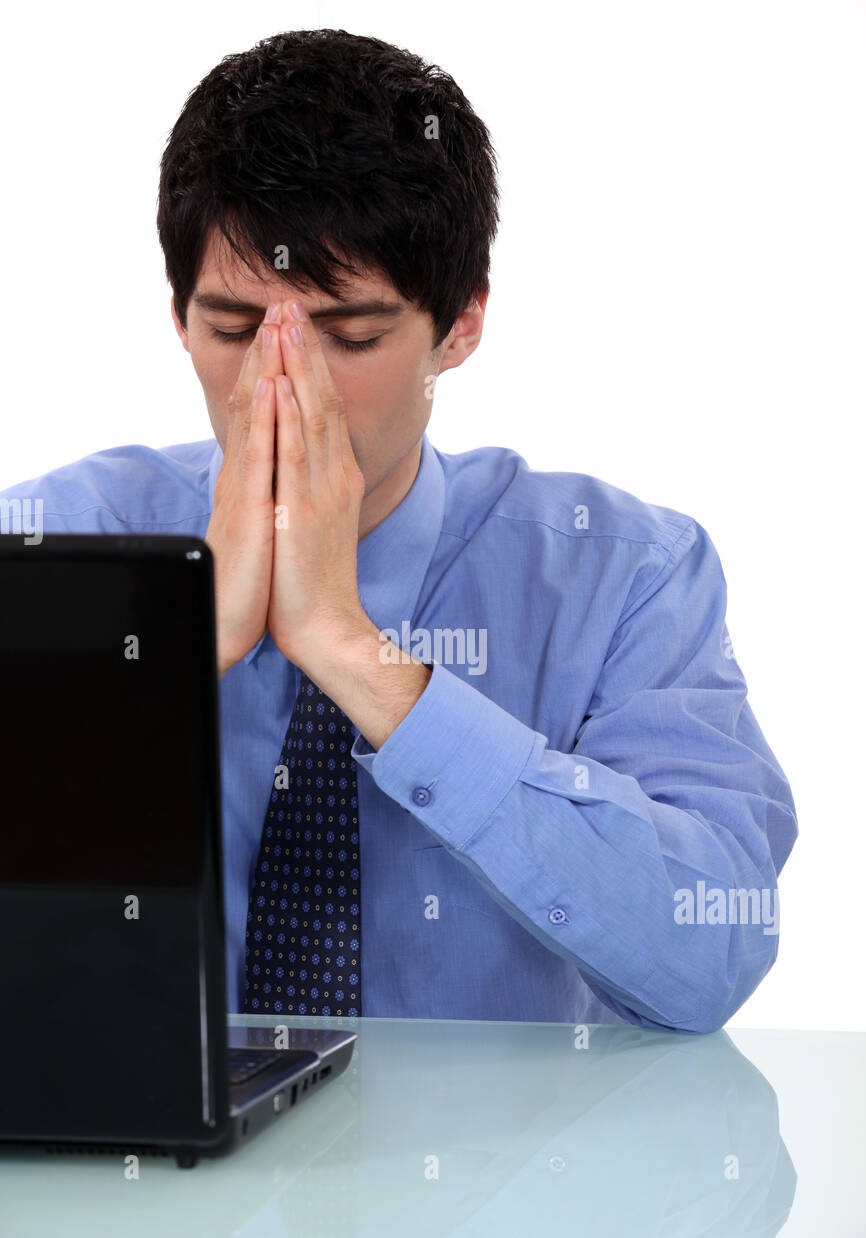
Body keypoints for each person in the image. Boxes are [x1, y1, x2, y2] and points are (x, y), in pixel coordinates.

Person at [0, 29, 797, 1031]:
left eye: (349, 335)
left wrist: (355, 655)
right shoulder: (57, 539)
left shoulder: (623, 574)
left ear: (459, 325)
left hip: (498, 1182)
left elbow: (707, 950)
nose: (279, 384)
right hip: (134, 1179)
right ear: (176, 315)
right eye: (234, 328)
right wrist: (171, 652)